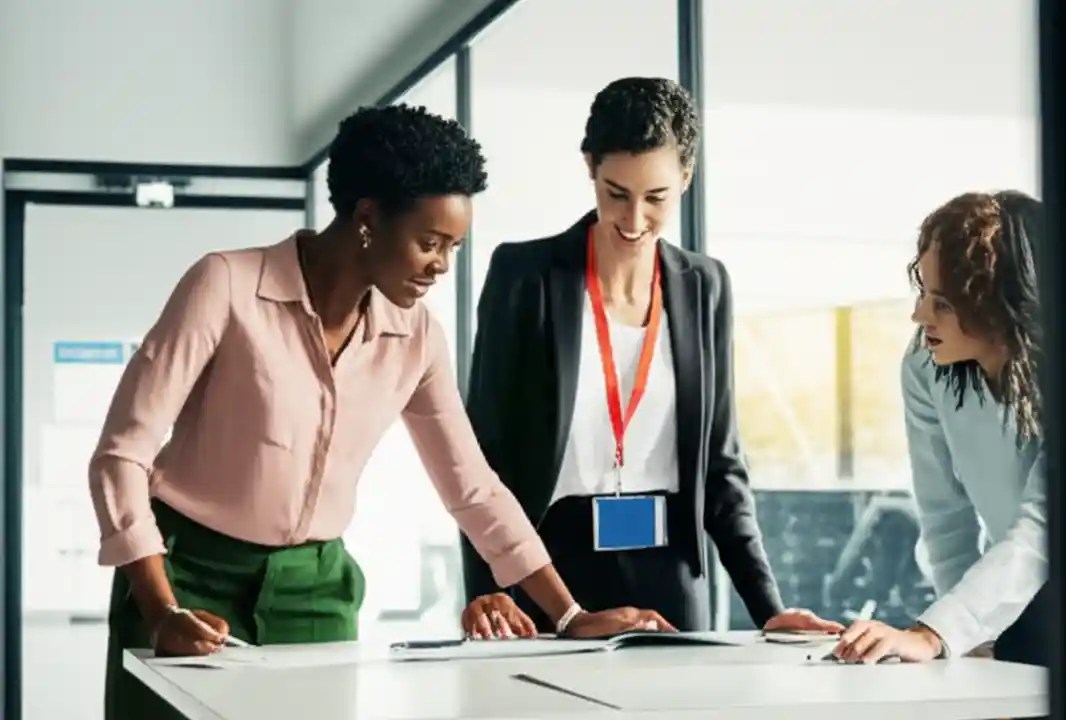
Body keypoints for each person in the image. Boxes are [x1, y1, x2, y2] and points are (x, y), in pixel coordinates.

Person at [90, 104, 671, 720]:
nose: (441, 266)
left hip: (315, 592)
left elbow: (473, 489)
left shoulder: (416, 337)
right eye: (429, 242)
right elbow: (122, 455)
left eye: (453, 247)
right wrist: (160, 609)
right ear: (367, 218)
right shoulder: (226, 285)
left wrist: (571, 614)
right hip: (183, 577)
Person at [458, 77, 841, 638]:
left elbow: (721, 466)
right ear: (590, 167)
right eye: (616, 193)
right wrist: (486, 592)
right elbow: (479, 458)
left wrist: (768, 609)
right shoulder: (526, 277)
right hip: (545, 572)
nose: (634, 220)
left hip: (671, 577)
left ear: (686, 176)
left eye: (656, 198)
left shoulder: (704, 285)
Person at [833, 190, 1049, 666]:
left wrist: (934, 634)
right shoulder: (925, 364)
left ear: (1001, 305)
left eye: (944, 303)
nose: (919, 316)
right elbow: (944, 516)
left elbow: (1042, 533)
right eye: (923, 293)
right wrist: (964, 641)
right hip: (1004, 602)